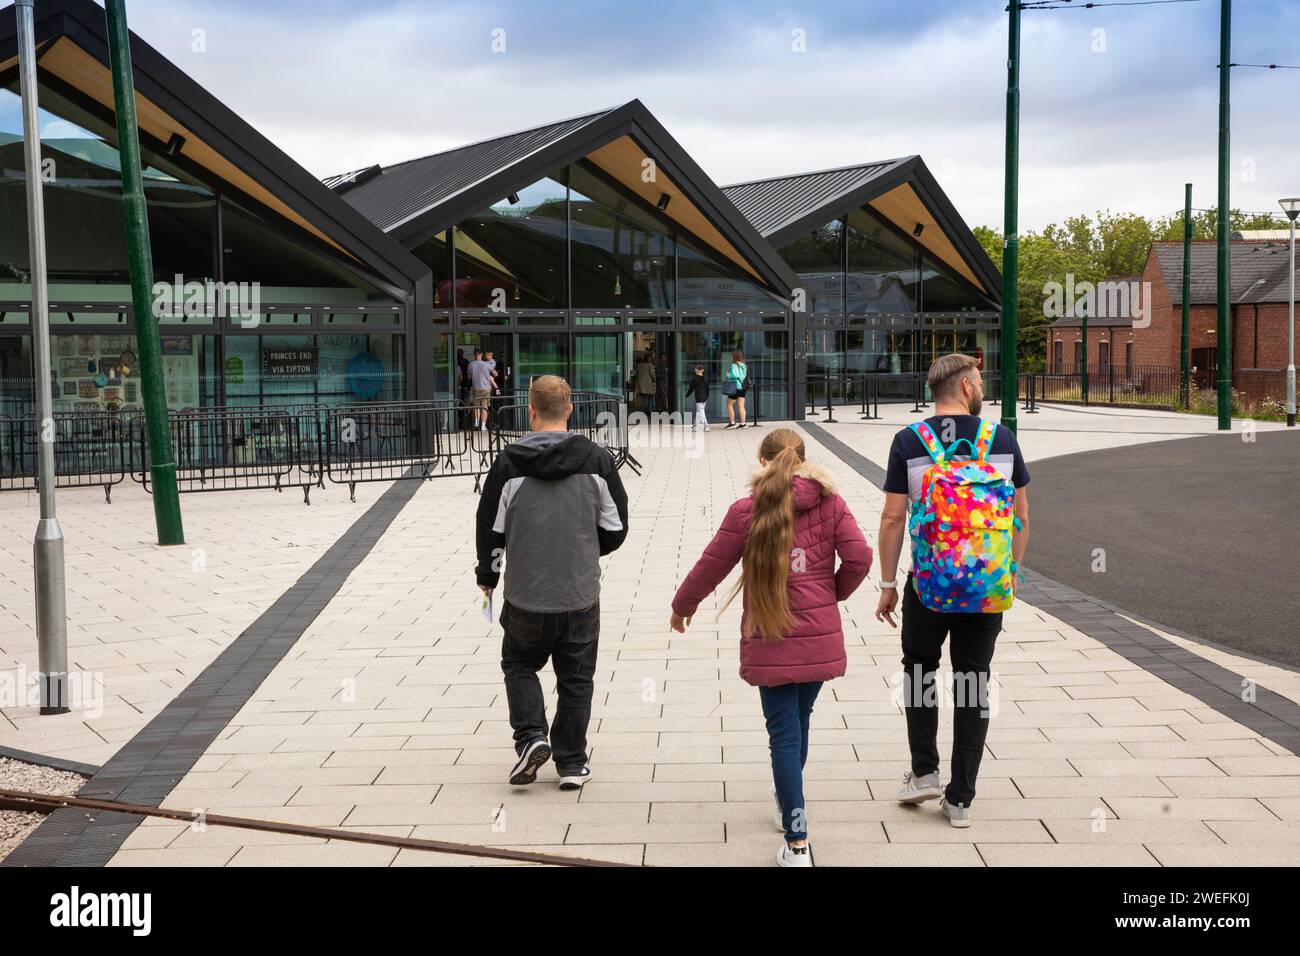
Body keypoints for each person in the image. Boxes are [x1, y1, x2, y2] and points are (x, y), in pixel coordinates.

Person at [670, 428, 871, 867]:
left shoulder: (747, 510)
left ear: (762, 461)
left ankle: (797, 841)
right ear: (803, 460)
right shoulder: (831, 503)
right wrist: (830, 592)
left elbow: (711, 565)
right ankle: (787, 798)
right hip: (818, 638)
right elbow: (860, 557)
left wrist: (682, 606)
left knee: (783, 733)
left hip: (771, 634)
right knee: (799, 722)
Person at [874, 353, 1030, 829]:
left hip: (929, 584)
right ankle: (960, 798)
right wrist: (1011, 573)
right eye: (979, 380)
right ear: (965, 387)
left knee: (919, 669)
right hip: (985, 587)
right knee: (973, 680)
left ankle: (924, 772)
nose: (981, 387)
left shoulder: (908, 441)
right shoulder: (1000, 439)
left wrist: (886, 584)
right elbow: (1021, 516)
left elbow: (893, 518)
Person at [476, 375, 629, 789]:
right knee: (576, 678)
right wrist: (581, 550)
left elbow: (489, 530)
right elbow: (616, 528)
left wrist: (487, 575)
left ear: (530, 410)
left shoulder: (507, 464)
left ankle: (531, 736)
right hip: (579, 593)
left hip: (526, 593)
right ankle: (572, 763)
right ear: (570, 410)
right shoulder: (597, 460)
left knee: (519, 663)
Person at [466, 349, 495, 430]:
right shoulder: (486, 364)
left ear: (474, 354)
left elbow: (468, 376)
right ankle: (483, 426)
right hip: (486, 388)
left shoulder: (471, 364)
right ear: (482, 354)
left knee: (476, 406)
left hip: (476, 387)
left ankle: (476, 423)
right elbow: (495, 374)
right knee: (484, 406)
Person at [723, 350, 749, 428]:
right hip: (743, 387)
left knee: (729, 405)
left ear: (734, 357)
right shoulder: (744, 365)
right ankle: (743, 423)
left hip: (735, 387)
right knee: (741, 406)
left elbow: (735, 375)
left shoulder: (734, 365)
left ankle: (732, 423)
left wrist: (728, 374)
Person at [684, 364, 709, 431]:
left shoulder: (695, 379)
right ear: (702, 370)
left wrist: (686, 395)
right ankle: (695, 426)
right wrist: (707, 397)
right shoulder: (705, 378)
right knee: (699, 412)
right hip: (704, 398)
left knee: (701, 412)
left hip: (699, 398)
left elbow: (691, 388)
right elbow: (707, 389)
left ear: (695, 370)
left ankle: (706, 426)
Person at [634, 350, 656, 418]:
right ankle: (649, 410)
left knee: (644, 397)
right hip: (648, 383)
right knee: (650, 397)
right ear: (648, 358)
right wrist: (655, 380)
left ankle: (646, 410)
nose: (651, 359)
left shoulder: (639, 365)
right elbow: (652, 374)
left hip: (641, 384)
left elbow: (636, 374)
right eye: (650, 358)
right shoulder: (650, 365)